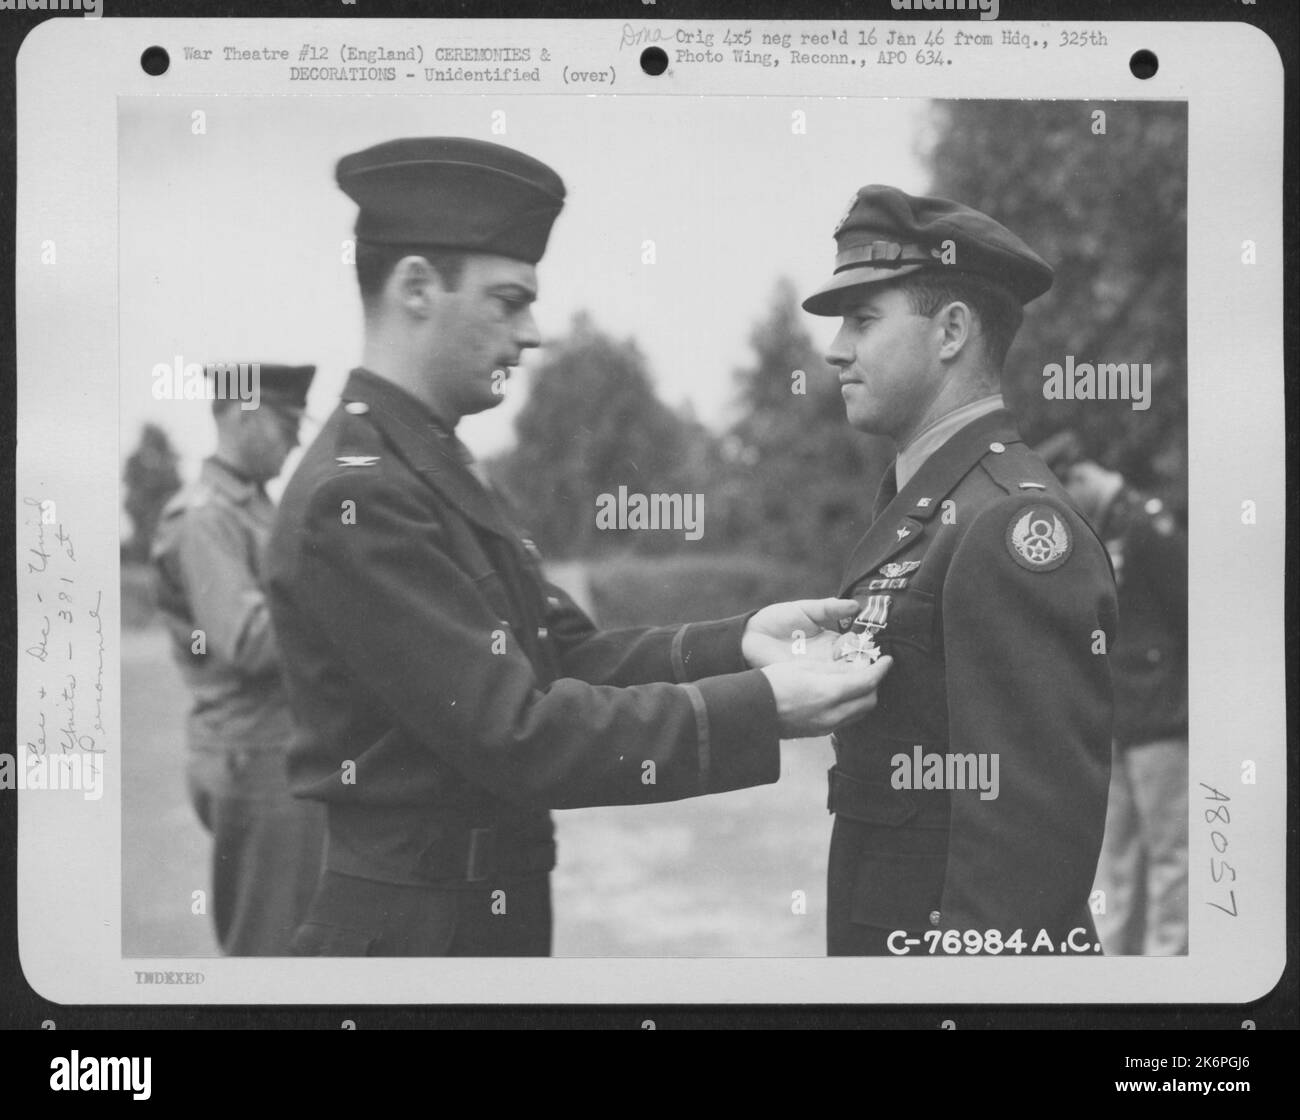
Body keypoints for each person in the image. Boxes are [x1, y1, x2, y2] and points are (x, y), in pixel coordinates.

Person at [265, 137, 891, 957]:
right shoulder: (360, 496)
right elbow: (518, 732)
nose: (531, 334)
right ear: (417, 287)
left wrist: (739, 644)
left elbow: (561, 656)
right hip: (412, 939)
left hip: (468, 915)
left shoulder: (430, 465)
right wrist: (764, 706)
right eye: (509, 300)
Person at [799, 185, 1118, 956]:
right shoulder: (927, 506)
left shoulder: (1009, 525)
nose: (836, 348)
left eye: (864, 319)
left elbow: (1029, 857)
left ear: (950, 331)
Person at [151, 364, 325, 955]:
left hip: (269, 749)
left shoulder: (250, 506)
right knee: (268, 950)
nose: (297, 440)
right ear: (246, 415)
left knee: (291, 939)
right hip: (254, 756)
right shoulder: (206, 517)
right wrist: (346, 602)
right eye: (286, 424)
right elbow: (249, 641)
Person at [1038, 432, 1188, 955]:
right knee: (1119, 857)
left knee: (1171, 856)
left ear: (1080, 478)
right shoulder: (1098, 531)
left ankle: (1170, 971)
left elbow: (1189, 618)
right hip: (1115, 723)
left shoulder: (1148, 525)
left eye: (1064, 498)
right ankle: (1122, 974)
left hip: (1161, 723)